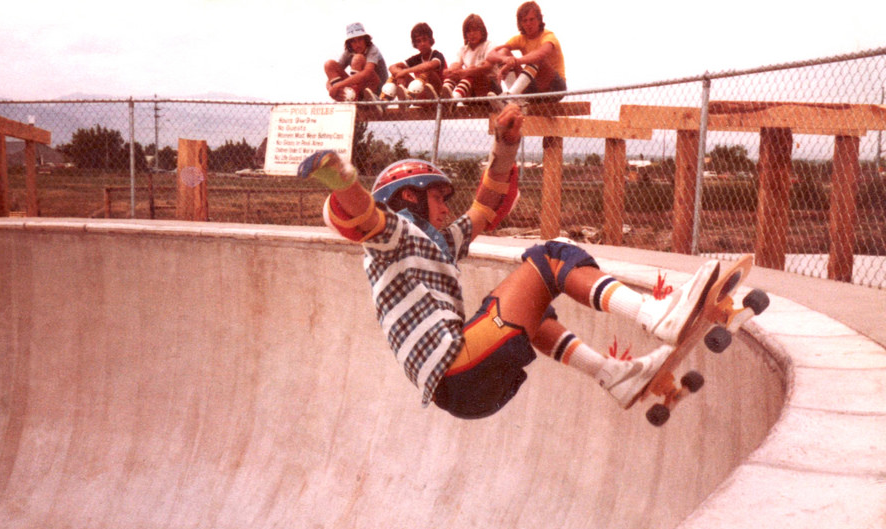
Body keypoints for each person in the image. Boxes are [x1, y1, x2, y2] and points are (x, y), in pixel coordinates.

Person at [297, 104, 721, 419]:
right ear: (410, 196)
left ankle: (612, 374)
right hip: (458, 366)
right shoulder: (395, 234)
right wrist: (342, 181)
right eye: (438, 199)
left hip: (462, 388)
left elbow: (485, 207)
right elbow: (363, 217)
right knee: (551, 256)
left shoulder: (437, 241)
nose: (445, 209)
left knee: (532, 310)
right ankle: (656, 316)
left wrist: (505, 144)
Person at [487, 1, 567, 101]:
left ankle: (510, 97)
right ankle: (515, 98)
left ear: (539, 20)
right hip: (534, 87)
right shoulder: (520, 38)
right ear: (520, 23)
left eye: (532, 19)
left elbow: (540, 54)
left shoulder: (548, 36)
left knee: (537, 59)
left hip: (555, 88)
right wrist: (506, 59)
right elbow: (490, 55)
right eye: (524, 21)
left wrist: (515, 62)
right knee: (504, 52)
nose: (528, 24)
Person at [381, 23, 447, 102]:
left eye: (425, 39)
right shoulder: (416, 58)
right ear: (415, 44)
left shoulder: (437, 55)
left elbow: (429, 66)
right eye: (419, 41)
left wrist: (405, 71)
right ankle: (384, 100)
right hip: (421, 95)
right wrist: (400, 74)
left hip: (438, 96)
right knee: (396, 74)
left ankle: (410, 97)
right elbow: (392, 67)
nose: (422, 43)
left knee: (428, 71)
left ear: (430, 40)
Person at [441, 14, 500, 102]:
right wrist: (451, 71)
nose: (472, 34)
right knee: (454, 73)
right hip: (472, 87)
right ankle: (446, 97)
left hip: (490, 86)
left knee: (472, 71)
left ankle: (456, 98)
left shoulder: (489, 45)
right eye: (469, 31)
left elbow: (487, 67)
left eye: (475, 30)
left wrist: (466, 72)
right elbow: (455, 64)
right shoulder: (463, 49)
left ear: (482, 31)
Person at [324, 22, 389, 102]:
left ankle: (358, 97)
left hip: (377, 89)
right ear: (349, 43)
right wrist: (330, 89)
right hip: (358, 87)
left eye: (360, 39)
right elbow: (331, 75)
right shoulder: (348, 51)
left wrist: (338, 86)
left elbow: (367, 72)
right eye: (353, 41)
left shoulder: (372, 49)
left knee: (358, 58)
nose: (357, 44)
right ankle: (346, 97)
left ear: (365, 39)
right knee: (329, 64)